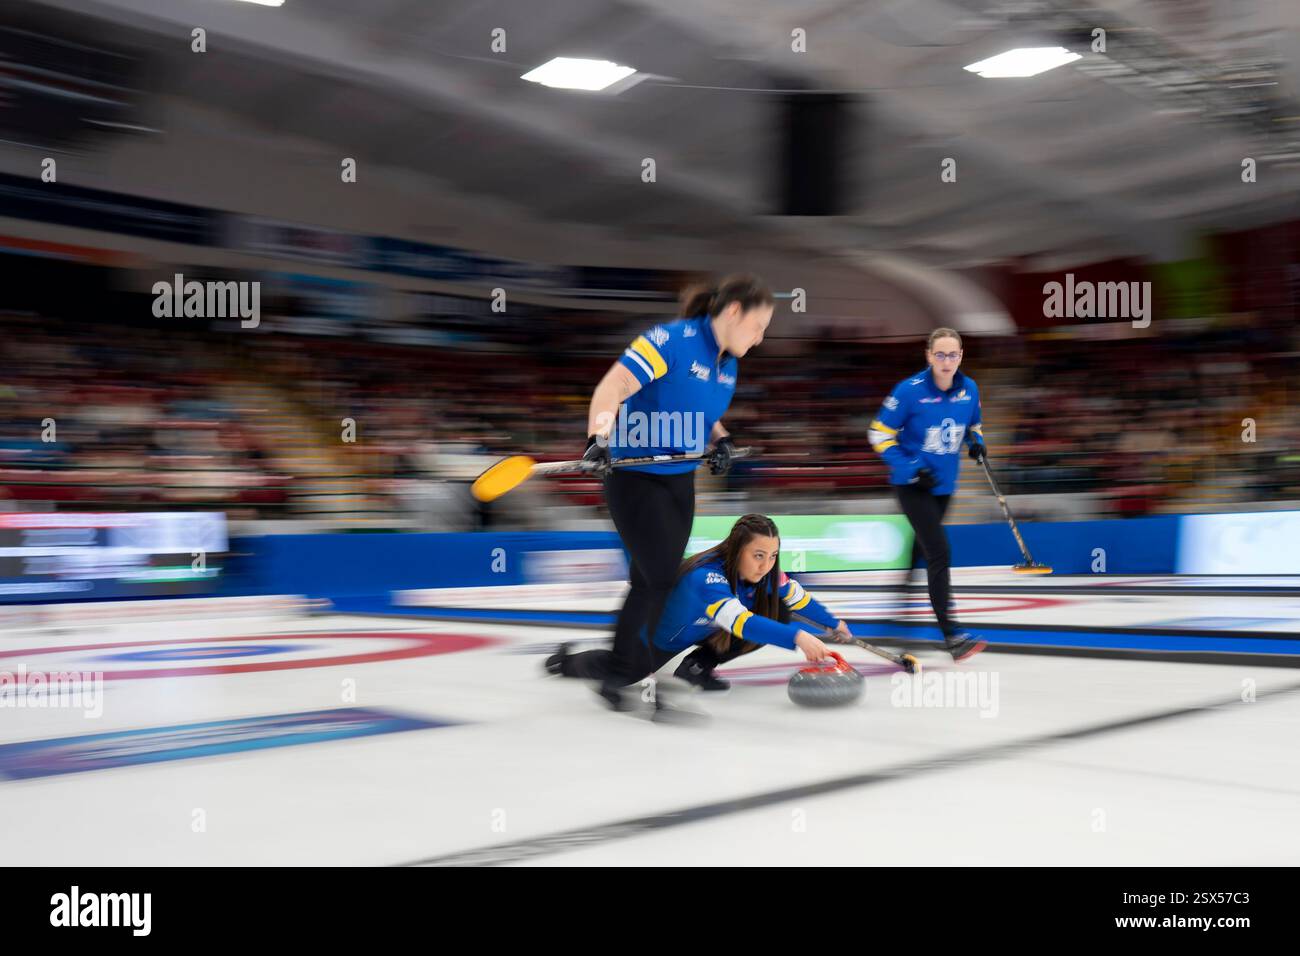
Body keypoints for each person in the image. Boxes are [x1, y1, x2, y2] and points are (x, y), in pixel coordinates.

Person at [575, 275, 775, 709]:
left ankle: (614, 670)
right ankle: (626, 673)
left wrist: (720, 440)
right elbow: (613, 387)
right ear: (734, 312)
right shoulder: (667, 341)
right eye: (758, 326)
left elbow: (702, 412)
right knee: (659, 576)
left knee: (651, 579)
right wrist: (598, 436)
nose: (760, 338)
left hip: (679, 480)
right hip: (634, 478)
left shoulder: (729, 364)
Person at [548, 514, 842, 706]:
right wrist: (798, 638)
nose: (766, 565)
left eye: (773, 555)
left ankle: (696, 668)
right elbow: (739, 622)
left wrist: (833, 624)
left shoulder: (764, 572)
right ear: (737, 550)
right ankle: (565, 662)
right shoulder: (706, 578)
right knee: (623, 671)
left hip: (700, 631)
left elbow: (797, 597)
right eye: (758, 556)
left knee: (778, 611)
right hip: (655, 640)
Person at [868, 327, 988, 661]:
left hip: (944, 487)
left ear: (961, 356)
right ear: (928, 355)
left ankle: (897, 615)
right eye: (940, 354)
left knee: (920, 551)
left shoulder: (970, 389)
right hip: (912, 486)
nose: (946, 361)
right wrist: (909, 468)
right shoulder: (909, 391)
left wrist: (977, 444)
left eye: (952, 355)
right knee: (939, 551)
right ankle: (952, 635)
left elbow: (974, 425)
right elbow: (878, 434)